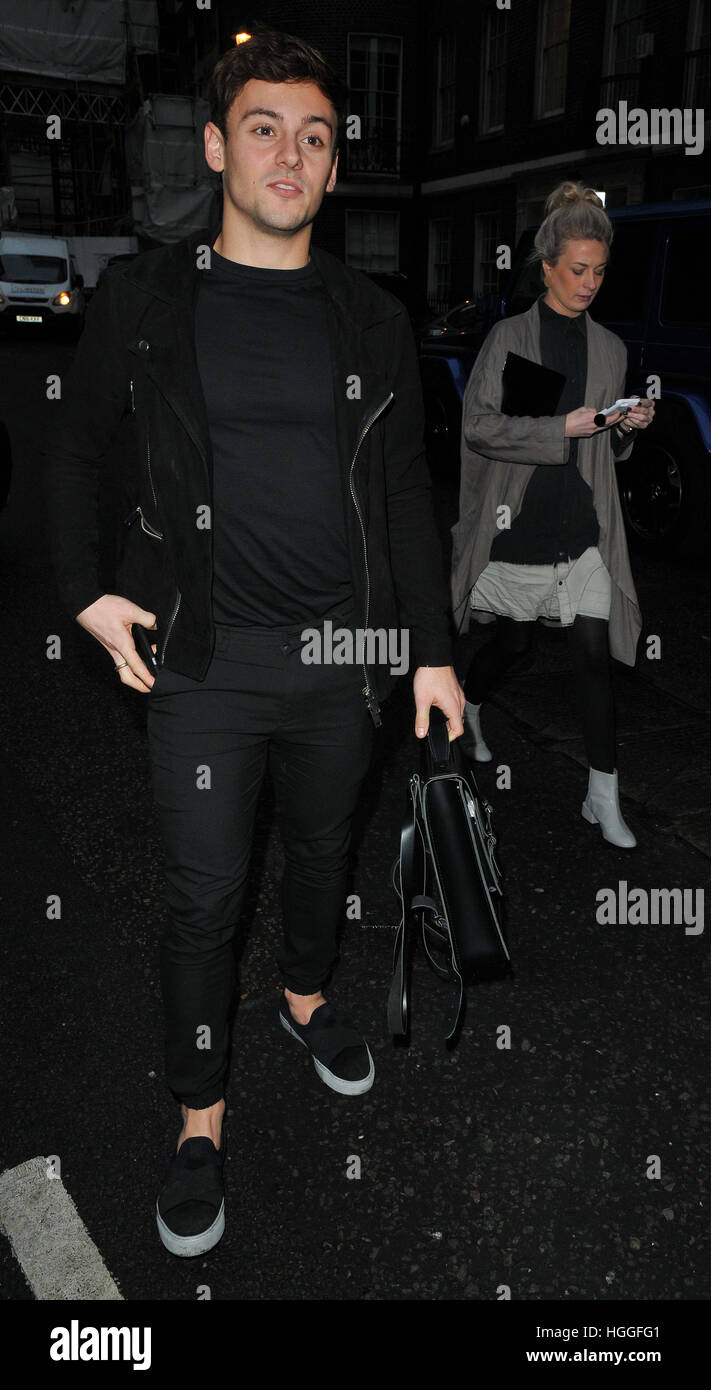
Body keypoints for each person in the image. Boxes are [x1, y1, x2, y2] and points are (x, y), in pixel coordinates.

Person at [43, 29, 464, 1258]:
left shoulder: (372, 317)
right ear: (220, 149)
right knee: (203, 896)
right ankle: (199, 1118)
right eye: (267, 128)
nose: (293, 152)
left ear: (334, 166)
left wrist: (430, 648)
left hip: (344, 659)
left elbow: (404, 492)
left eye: (316, 136)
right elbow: (72, 447)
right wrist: (84, 591)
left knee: (326, 847)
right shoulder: (145, 298)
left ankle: (304, 996)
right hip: (204, 657)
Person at [451, 183, 654, 849]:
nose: (589, 283)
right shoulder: (512, 338)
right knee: (513, 646)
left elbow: (608, 451)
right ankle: (470, 705)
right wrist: (558, 427)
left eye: (599, 271)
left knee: (592, 657)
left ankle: (602, 795)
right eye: (577, 269)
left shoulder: (610, 349)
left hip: (583, 531)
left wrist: (625, 428)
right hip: (518, 527)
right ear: (546, 268)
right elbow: (481, 428)